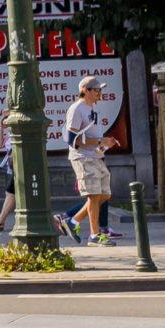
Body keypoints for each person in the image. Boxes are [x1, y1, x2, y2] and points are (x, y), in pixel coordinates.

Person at [64, 76, 116, 243]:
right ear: (85, 91)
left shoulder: (92, 108)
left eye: (100, 90)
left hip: (96, 156)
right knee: (94, 196)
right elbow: (73, 139)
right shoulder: (76, 108)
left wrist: (104, 144)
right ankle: (94, 235)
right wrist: (100, 141)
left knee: (105, 195)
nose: (100, 93)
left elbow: (91, 135)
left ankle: (73, 220)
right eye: (96, 90)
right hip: (83, 158)